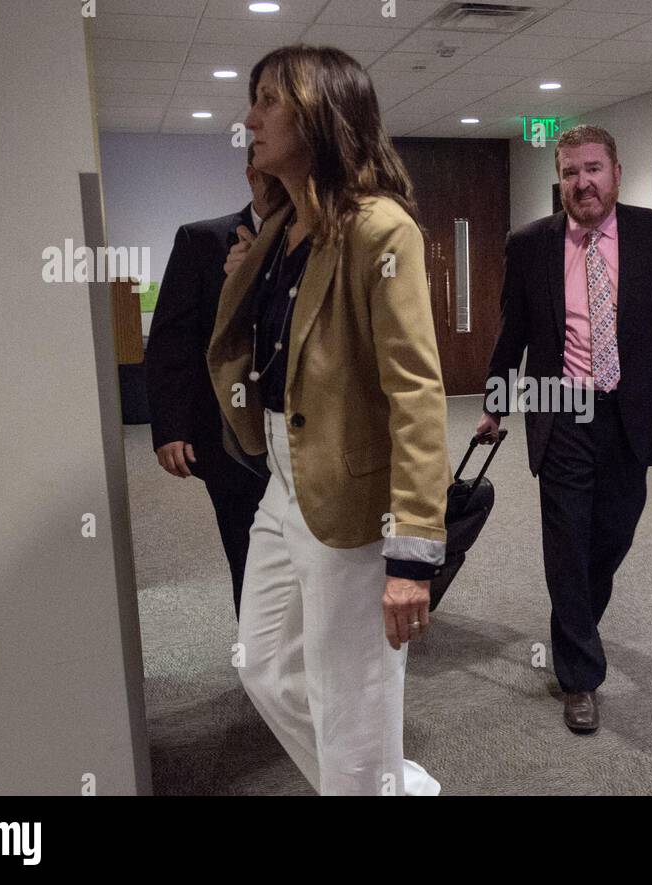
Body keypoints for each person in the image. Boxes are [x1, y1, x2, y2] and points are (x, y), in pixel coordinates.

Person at [206, 45, 448, 795]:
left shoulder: (379, 229)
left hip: (354, 493)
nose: (249, 120)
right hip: (284, 479)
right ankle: (388, 786)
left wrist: (412, 556)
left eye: (268, 102)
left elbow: (417, 391)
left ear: (320, 114)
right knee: (264, 664)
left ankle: (370, 782)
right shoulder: (282, 231)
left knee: (352, 702)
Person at [478, 124, 652, 734]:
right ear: (559, 180)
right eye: (569, 172)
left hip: (632, 413)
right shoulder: (530, 243)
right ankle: (580, 676)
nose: (581, 183)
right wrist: (496, 398)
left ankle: (571, 629)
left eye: (592, 169)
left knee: (610, 535)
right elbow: (514, 330)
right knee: (565, 540)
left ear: (616, 172)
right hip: (562, 411)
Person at [145, 145, 278, 619]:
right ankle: (260, 665)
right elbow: (171, 341)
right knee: (248, 553)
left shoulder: (320, 241)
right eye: (270, 178)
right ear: (250, 177)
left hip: (306, 435)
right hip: (227, 440)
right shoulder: (202, 241)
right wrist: (170, 428)